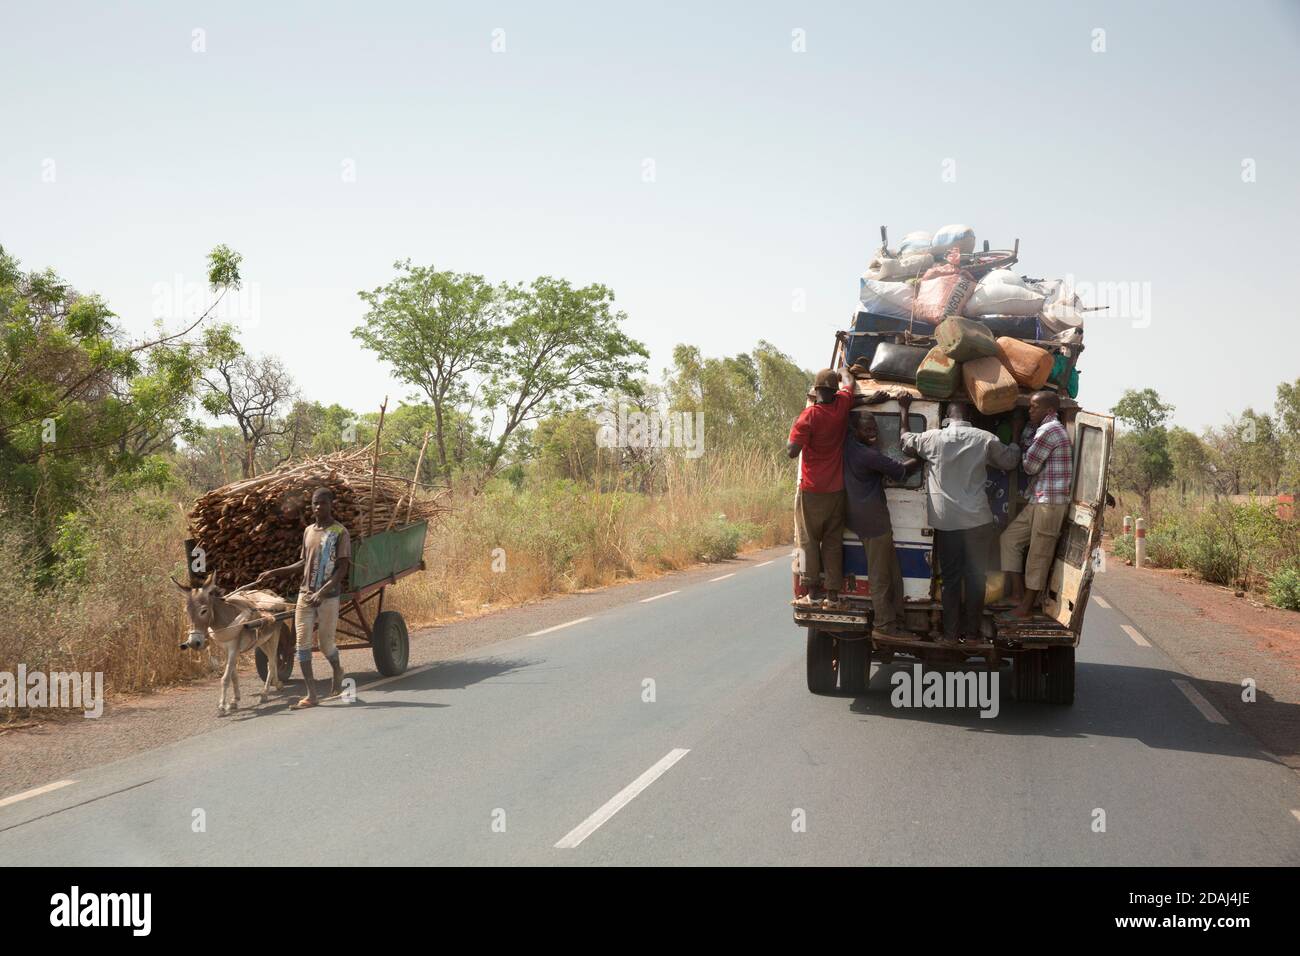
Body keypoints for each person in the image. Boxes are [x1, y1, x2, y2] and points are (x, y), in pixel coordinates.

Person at [897, 395, 1019, 643]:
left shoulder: (933, 438)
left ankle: (951, 635)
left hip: (947, 522)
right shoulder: (985, 438)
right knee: (976, 578)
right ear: (970, 419)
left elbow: (905, 442)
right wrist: (1016, 434)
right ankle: (973, 635)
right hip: (977, 521)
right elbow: (1010, 460)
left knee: (951, 580)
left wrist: (904, 410)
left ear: (945, 420)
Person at [253, 486, 351, 709]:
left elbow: (342, 570)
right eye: (315, 503)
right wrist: (275, 572)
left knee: (326, 645)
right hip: (305, 595)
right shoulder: (308, 531)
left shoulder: (340, 532)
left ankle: (337, 669)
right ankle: (312, 695)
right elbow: (302, 564)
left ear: (330, 504)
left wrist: (323, 591)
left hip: (329, 597)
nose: (318, 507)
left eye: (323, 503)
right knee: (302, 645)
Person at [843, 408, 921, 638]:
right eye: (867, 429)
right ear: (855, 431)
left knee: (892, 572)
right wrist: (923, 456)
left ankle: (897, 621)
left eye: (874, 428)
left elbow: (845, 412)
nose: (873, 432)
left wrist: (868, 401)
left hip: (861, 518)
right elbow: (901, 471)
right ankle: (885, 626)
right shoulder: (869, 456)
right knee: (880, 577)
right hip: (874, 521)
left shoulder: (849, 445)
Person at [1000, 390, 1074, 620]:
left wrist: (1021, 449)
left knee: (1038, 555)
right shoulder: (1046, 429)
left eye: (1034, 407)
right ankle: (1018, 594)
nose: (1030, 410)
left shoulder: (1048, 430)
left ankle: (1026, 607)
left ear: (1049, 411)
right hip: (1040, 498)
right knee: (1009, 540)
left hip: (1049, 502)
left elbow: (1029, 467)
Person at [787, 366, 854, 608]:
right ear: (834, 391)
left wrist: (793, 433)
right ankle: (833, 595)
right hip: (836, 490)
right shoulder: (842, 406)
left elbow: (792, 452)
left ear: (816, 391)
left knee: (808, 541)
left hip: (812, 490)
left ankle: (813, 592)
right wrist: (844, 370)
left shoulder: (809, 416)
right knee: (833, 542)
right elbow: (849, 383)